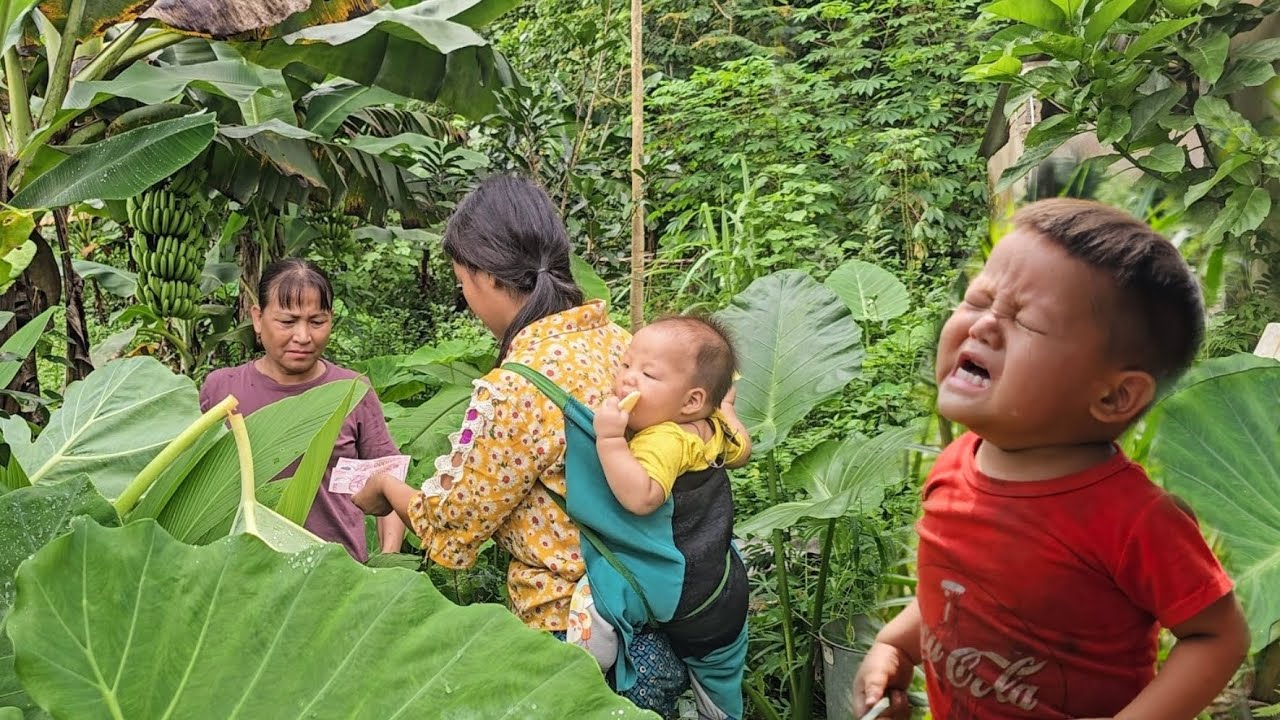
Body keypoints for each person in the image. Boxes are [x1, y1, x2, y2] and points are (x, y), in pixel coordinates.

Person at [853, 198, 1249, 719]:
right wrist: (895, 645)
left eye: (1027, 321)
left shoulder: (1134, 520)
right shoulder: (956, 463)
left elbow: (1219, 637)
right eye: (978, 299)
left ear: (1112, 397)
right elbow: (957, 593)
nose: (983, 326)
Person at [351, 174, 692, 717]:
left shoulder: (518, 388)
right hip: (659, 619)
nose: (465, 298)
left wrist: (389, 489)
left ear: (486, 275)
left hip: (577, 637)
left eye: (462, 282)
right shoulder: (624, 347)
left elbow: (450, 528)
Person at [570, 315, 752, 719]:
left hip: (677, 591)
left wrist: (611, 440)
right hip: (723, 588)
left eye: (648, 374)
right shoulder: (712, 425)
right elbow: (741, 450)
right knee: (720, 693)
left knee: (597, 592)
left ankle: (584, 665)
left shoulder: (663, 439)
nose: (628, 380)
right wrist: (726, 409)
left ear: (690, 401)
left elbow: (642, 497)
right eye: (625, 364)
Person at [200, 258, 406, 562]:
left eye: (317, 322)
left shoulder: (352, 392)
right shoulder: (222, 391)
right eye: (287, 321)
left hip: (337, 574)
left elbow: (391, 483)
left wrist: (387, 562)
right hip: (242, 573)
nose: (303, 337)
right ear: (257, 318)